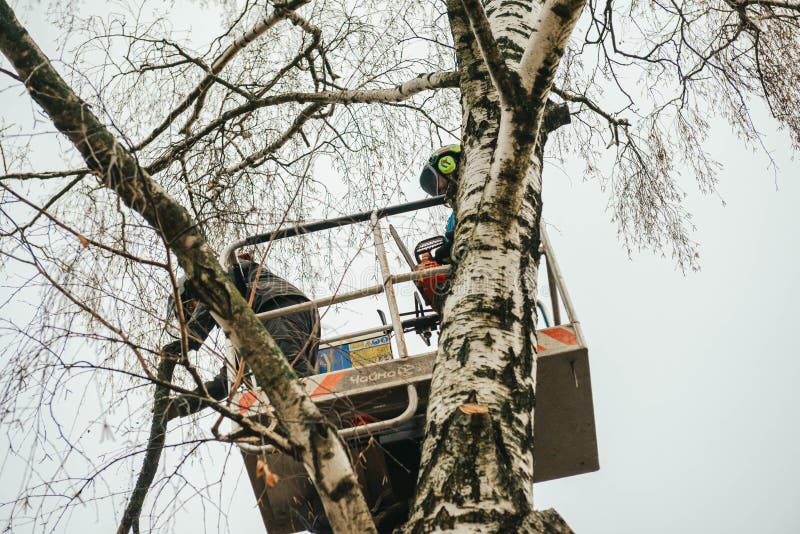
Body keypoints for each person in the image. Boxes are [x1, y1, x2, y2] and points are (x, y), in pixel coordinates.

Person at [161, 254, 320, 419]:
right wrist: (181, 406)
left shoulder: (226, 273)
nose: (196, 312)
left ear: (192, 295)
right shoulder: (239, 324)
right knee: (294, 375)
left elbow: (212, 293)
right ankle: (315, 425)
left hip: (275, 306)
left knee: (294, 376)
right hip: (293, 315)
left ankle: (314, 421)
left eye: (191, 309)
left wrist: (189, 339)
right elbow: (227, 380)